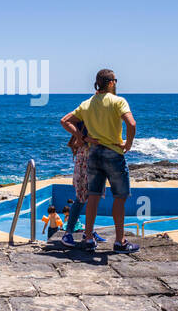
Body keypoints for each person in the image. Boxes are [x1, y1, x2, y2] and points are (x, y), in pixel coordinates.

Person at [60, 68, 139, 253]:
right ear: (111, 83)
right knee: (119, 197)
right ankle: (120, 242)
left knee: (93, 196)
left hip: (94, 153)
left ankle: (88, 238)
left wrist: (81, 137)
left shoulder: (87, 104)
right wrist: (128, 143)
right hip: (113, 152)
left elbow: (65, 120)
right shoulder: (118, 101)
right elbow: (131, 123)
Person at [62, 126, 104, 247]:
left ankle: (88, 231)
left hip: (97, 159)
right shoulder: (86, 113)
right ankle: (68, 232)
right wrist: (86, 138)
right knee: (81, 198)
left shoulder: (98, 115)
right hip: (85, 160)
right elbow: (66, 123)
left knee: (94, 198)